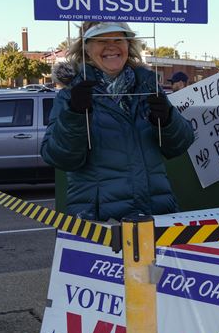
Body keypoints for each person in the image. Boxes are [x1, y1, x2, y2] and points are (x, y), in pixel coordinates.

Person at [42, 21, 195, 221]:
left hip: (156, 214)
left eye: (117, 39)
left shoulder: (148, 88)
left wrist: (168, 121)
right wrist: (75, 115)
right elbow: (58, 157)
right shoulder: (70, 95)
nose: (111, 46)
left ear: (128, 45)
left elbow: (180, 145)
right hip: (100, 221)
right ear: (87, 49)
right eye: (101, 40)